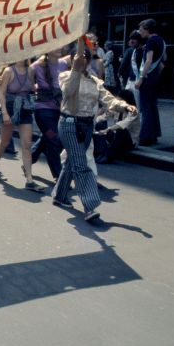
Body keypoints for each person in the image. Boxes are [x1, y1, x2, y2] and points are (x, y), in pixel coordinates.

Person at [52, 39, 137, 222]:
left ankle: (59, 196)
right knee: (81, 164)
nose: (84, 61)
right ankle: (89, 206)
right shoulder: (65, 76)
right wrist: (75, 69)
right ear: (73, 60)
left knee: (71, 162)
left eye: (86, 58)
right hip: (68, 123)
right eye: (80, 58)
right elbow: (68, 92)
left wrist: (124, 106)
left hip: (87, 125)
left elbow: (108, 99)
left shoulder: (96, 81)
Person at [0, 60, 45, 192]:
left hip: (25, 107)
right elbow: (2, 94)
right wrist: (4, 113)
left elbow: (32, 88)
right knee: (5, 142)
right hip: (10, 108)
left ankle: (29, 180)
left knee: (27, 145)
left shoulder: (31, 71)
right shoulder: (9, 71)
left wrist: (39, 86)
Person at [30, 50, 67, 179]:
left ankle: (28, 160)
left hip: (60, 111)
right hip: (43, 112)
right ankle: (59, 176)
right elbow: (27, 83)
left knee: (50, 138)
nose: (60, 48)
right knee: (53, 139)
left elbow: (79, 55)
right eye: (56, 46)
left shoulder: (63, 63)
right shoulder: (36, 66)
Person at [135, 19, 166, 146]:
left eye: (141, 28)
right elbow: (164, 60)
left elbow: (148, 61)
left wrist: (141, 78)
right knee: (152, 107)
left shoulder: (151, 41)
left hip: (147, 78)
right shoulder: (161, 41)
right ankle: (153, 135)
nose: (139, 31)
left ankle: (146, 137)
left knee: (146, 108)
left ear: (147, 28)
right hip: (155, 78)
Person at [93, 90, 140, 163]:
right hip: (116, 137)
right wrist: (95, 121)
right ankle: (101, 152)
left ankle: (108, 155)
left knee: (121, 130)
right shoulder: (118, 108)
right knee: (100, 124)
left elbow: (123, 125)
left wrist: (108, 129)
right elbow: (105, 116)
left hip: (129, 142)